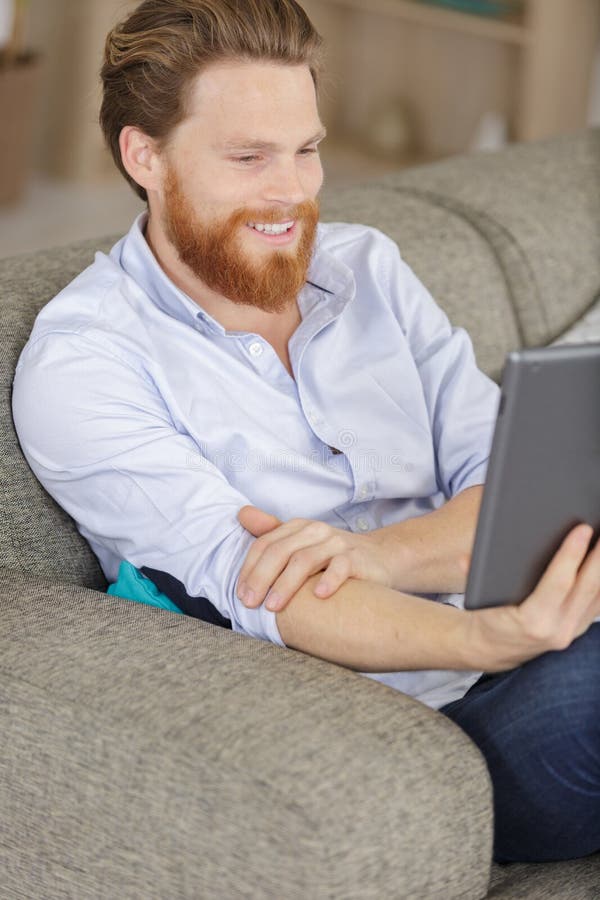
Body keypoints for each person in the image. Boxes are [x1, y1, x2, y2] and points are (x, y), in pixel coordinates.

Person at [11, 0, 600, 865]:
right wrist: (486, 637)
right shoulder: (88, 366)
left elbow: (505, 481)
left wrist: (379, 555)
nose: (291, 192)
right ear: (147, 155)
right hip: (413, 716)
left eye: (307, 149)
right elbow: (265, 592)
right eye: (248, 157)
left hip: (535, 630)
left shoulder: (367, 268)